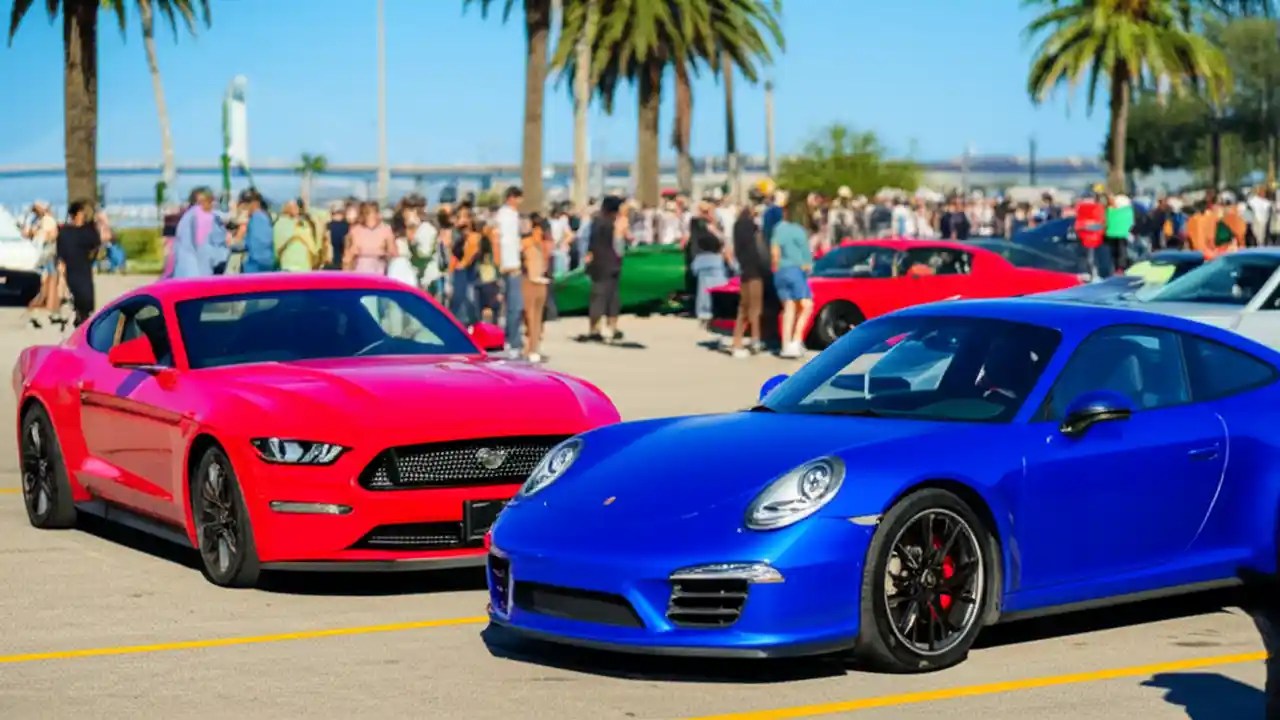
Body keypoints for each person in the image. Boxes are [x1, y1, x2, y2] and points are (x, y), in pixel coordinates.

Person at [771, 202, 814, 359]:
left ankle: (785, 344)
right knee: (807, 305)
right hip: (795, 270)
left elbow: (774, 252)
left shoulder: (778, 228)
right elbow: (806, 259)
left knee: (789, 308)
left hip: (781, 271)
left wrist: (776, 266)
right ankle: (796, 340)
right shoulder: (799, 231)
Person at [583, 195, 625, 343]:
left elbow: (590, 243)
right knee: (612, 296)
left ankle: (595, 328)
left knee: (598, 296)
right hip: (612, 263)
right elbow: (618, 246)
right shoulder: (614, 224)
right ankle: (611, 327)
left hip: (599, 264)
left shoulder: (597, 222)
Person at [729, 204, 768, 358]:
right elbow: (760, 250)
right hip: (755, 272)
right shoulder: (753, 228)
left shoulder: (737, 227)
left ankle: (738, 342)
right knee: (755, 308)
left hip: (745, 270)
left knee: (743, 308)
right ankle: (754, 340)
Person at [55, 200, 101, 327]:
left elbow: (96, 244)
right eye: (81, 213)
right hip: (72, 269)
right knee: (78, 294)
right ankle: (80, 317)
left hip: (84, 268)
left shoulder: (88, 230)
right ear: (75, 215)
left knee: (87, 296)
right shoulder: (65, 232)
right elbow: (60, 253)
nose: (83, 215)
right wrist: (61, 273)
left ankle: (83, 318)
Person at [172, 187, 229, 279]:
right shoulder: (205, 217)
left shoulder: (186, 218)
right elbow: (211, 250)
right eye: (210, 201)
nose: (212, 204)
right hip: (200, 275)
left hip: (183, 274)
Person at [689, 201, 730, 327]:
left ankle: (710, 313)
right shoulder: (697, 223)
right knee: (707, 288)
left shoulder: (716, 226)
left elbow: (722, 240)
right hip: (705, 257)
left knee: (710, 287)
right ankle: (706, 313)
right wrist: (706, 213)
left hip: (712, 258)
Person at [496, 186, 525, 355]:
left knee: (512, 305)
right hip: (510, 265)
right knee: (515, 305)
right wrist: (502, 263)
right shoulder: (505, 215)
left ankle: (511, 339)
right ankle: (513, 341)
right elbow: (499, 240)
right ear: (512, 198)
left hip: (512, 263)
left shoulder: (510, 215)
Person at [521, 214, 552, 362]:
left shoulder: (542, 245)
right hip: (530, 281)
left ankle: (534, 347)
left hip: (540, 281)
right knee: (530, 317)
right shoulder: (527, 243)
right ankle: (529, 348)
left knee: (538, 318)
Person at [343, 201, 396, 274]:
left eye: (374, 213)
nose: (372, 216)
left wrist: (383, 254)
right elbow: (347, 258)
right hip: (359, 274)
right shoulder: (355, 230)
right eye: (367, 213)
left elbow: (393, 253)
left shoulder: (386, 230)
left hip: (379, 273)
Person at [235, 189, 275, 273]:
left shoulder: (257, 218)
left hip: (256, 267)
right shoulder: (263, 217)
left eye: (245, 205)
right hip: (267, 265)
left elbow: (257, 246)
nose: (244, 208)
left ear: (255, 203)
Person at [326, 202, 350, 270]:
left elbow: (326, 242)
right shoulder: (347, 226)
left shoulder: (328, 226)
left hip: (331, 260)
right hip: (342, 260)